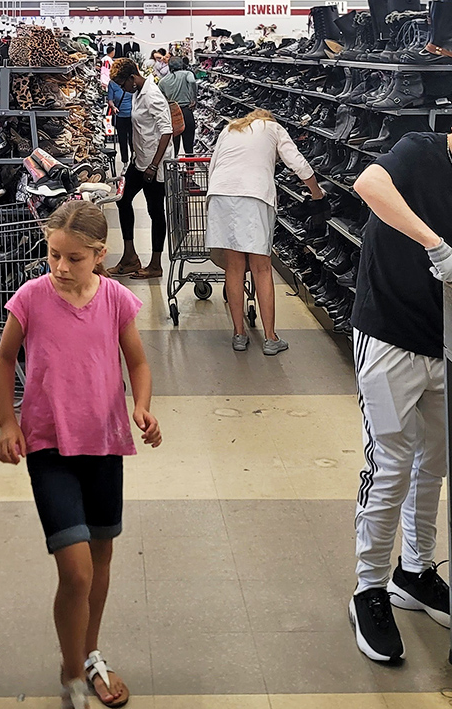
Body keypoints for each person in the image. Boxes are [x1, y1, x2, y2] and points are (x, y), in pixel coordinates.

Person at [0, 200, 161, 709]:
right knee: (77, 572)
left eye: (73, 258)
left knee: (103, 557)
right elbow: (3, 359)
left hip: (105, 444)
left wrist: (142, 406)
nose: (60, 268)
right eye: (52, 255)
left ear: (99, 255)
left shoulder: (115, 301)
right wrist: (6, 422)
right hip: (49, 448)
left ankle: (89, 654)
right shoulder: (31, 299)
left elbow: (136, 360)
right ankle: (71, 684)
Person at [347, 131, 452, 664]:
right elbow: (369, 182)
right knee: (390, 466)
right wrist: (434, 244)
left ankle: (415, 570)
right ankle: (369, 588)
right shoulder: (421, 149)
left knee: (433, 464)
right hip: (388, 333)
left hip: (444, 344)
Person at [206, 108, 324, 354]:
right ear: (268, 118)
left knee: (234, 267)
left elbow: (213, 165)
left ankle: (239, 334)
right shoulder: (273, 128)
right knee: (261, 268)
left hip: (221, 193)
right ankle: (270, 338)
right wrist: (317, 194)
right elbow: (297, 162)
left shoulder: (230, 128)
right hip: (254, 195)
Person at [107, 58, 174, 280]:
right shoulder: (137, 93)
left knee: (155, 212)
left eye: (122, 84)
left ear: (132, 78)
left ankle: (155, 265)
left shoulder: (152, 96)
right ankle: (130, 257)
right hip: (141, 160)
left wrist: (154, 166)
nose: (121, 89)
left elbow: (167, 131)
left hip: (156, 165)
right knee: (123, 200)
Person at [159, 55, 197, 155]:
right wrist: (194, 99)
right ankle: (190, 169)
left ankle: (174, 169)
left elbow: (162, 99)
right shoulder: (187, 74)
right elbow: (192, 81)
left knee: (174, 146)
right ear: (181, 65)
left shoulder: (163, 81)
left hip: (173, 113)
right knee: (189, 146)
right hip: (186, 111)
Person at [106, 71, 133, 167]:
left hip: (132, 115)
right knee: (122, 139)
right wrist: (113, 107)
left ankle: (133, 159)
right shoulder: (112, 84)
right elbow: (110, 100)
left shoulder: (130, 81)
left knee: (133, 140)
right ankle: (125, 162)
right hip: (119, 115)